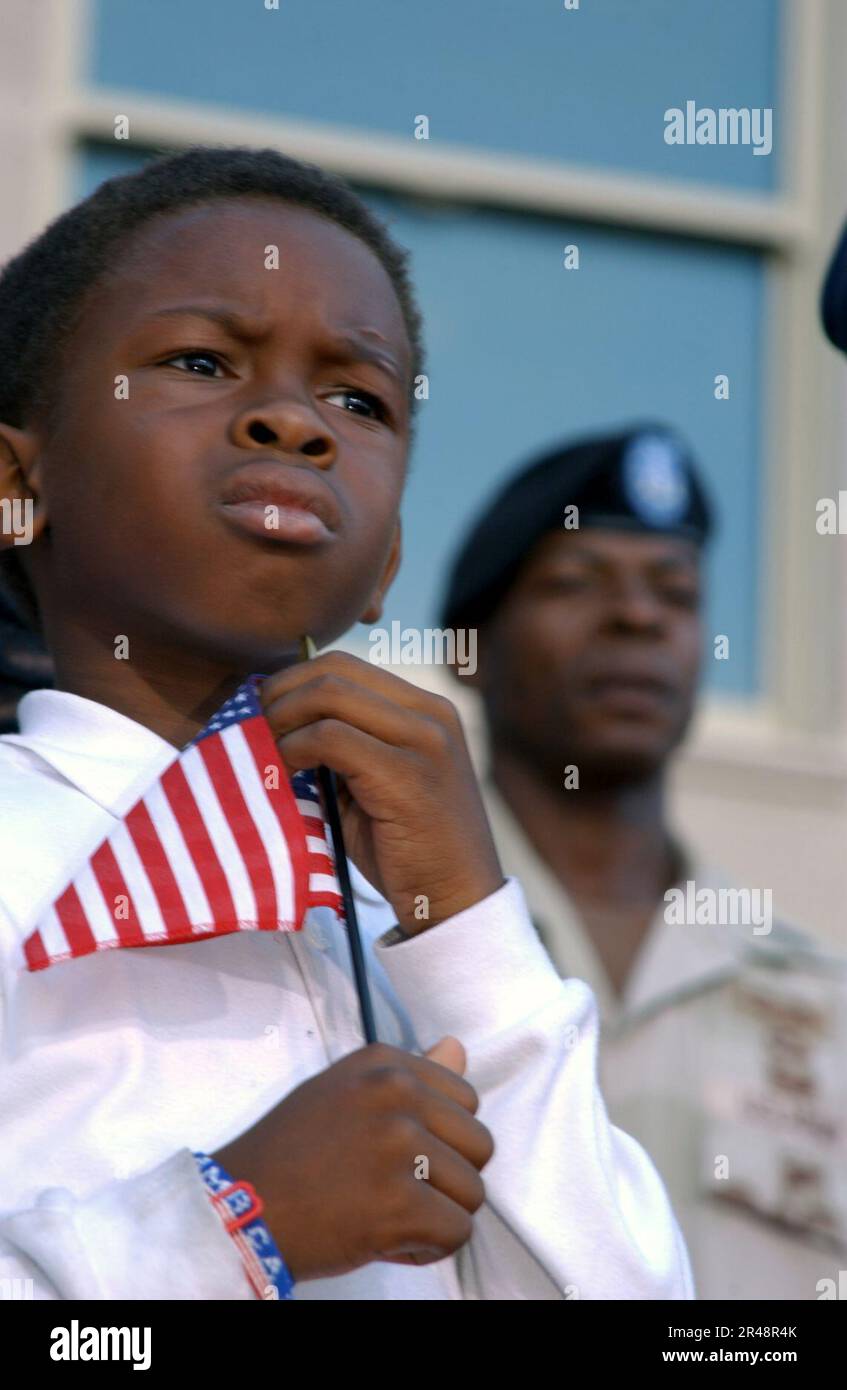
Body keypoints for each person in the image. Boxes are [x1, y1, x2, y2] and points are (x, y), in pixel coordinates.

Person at [0, 146, 693, 1301]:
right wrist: (227, 1225)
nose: (292, 421)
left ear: (387, 566)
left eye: (356, 399)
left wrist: (472, 936)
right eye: (202, 360)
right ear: (17, 487)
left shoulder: (407, 930)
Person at [440, 425, 846, 1299]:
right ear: (465, 652)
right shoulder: (380, 942)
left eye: (675, 591)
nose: (638, 616)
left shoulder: (823, 1000)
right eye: (575, 582)